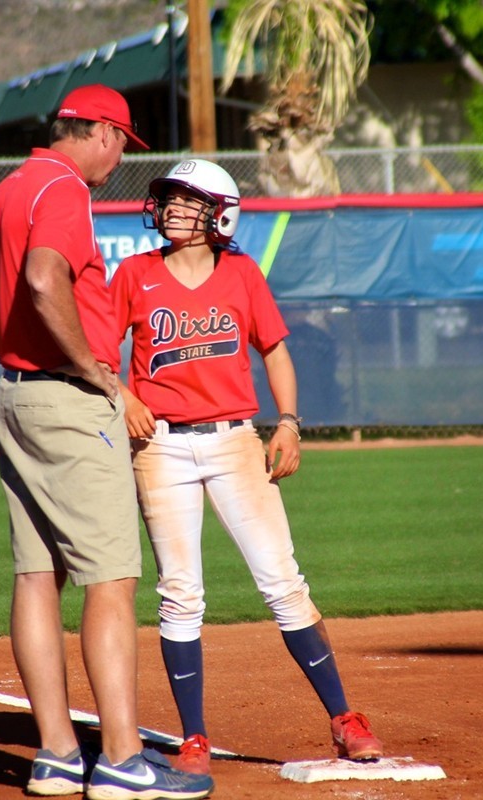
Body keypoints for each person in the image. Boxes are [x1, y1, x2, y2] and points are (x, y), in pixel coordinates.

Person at [0, 85, 213, 800]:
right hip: (70, 400)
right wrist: (90, 370)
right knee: (111, 581)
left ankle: (54, 756)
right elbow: (44, 277)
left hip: (17, 398)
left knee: (35, 576)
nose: (119, 159)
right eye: (122, 143)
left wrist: (10, 349)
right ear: (104, 132)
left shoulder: (5, 190)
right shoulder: (61, 189)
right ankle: (119, 761)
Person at [111, 159, 384, 775]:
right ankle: (194, 737)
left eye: (189, 200)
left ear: (221, 214)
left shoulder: (241, 274)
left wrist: (288, 421)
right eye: (171, 199)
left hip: (235, 440)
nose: (174, 209)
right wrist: (123, 394)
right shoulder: (134, 274)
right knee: (180, 593)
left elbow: (275, 351)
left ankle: (344, 717)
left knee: (283, 583)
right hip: (159, 445)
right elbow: (101, 353)